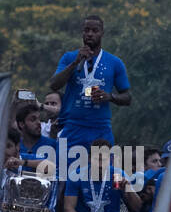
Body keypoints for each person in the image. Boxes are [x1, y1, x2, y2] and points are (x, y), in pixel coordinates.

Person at [49, 15, 131, 149]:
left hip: (101, 128)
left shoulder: (115, 62)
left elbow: (127, 98)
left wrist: (110, 96)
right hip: (73, 127)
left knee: (101, 170)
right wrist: (75, 62)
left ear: (102, 33)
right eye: (86, 30)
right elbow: (54, 85)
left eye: (95, 30)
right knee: (66, 170)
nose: (90, 34)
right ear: (82, 32)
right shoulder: (69, 57)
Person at [55, 139, 143, 212]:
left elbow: (137, 206)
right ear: (89, 158)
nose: (101, 165)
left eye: (104, 160)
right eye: (97, 160)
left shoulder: (118, 174)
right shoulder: (76, 175)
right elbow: (68, 207)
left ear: (110, 159)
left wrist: (129, 189)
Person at [15, 102, 58, 173]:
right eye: (33, 120)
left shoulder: (52, 144)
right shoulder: (14, 145)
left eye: (39, 119)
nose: (38, 122)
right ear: (21, 124)